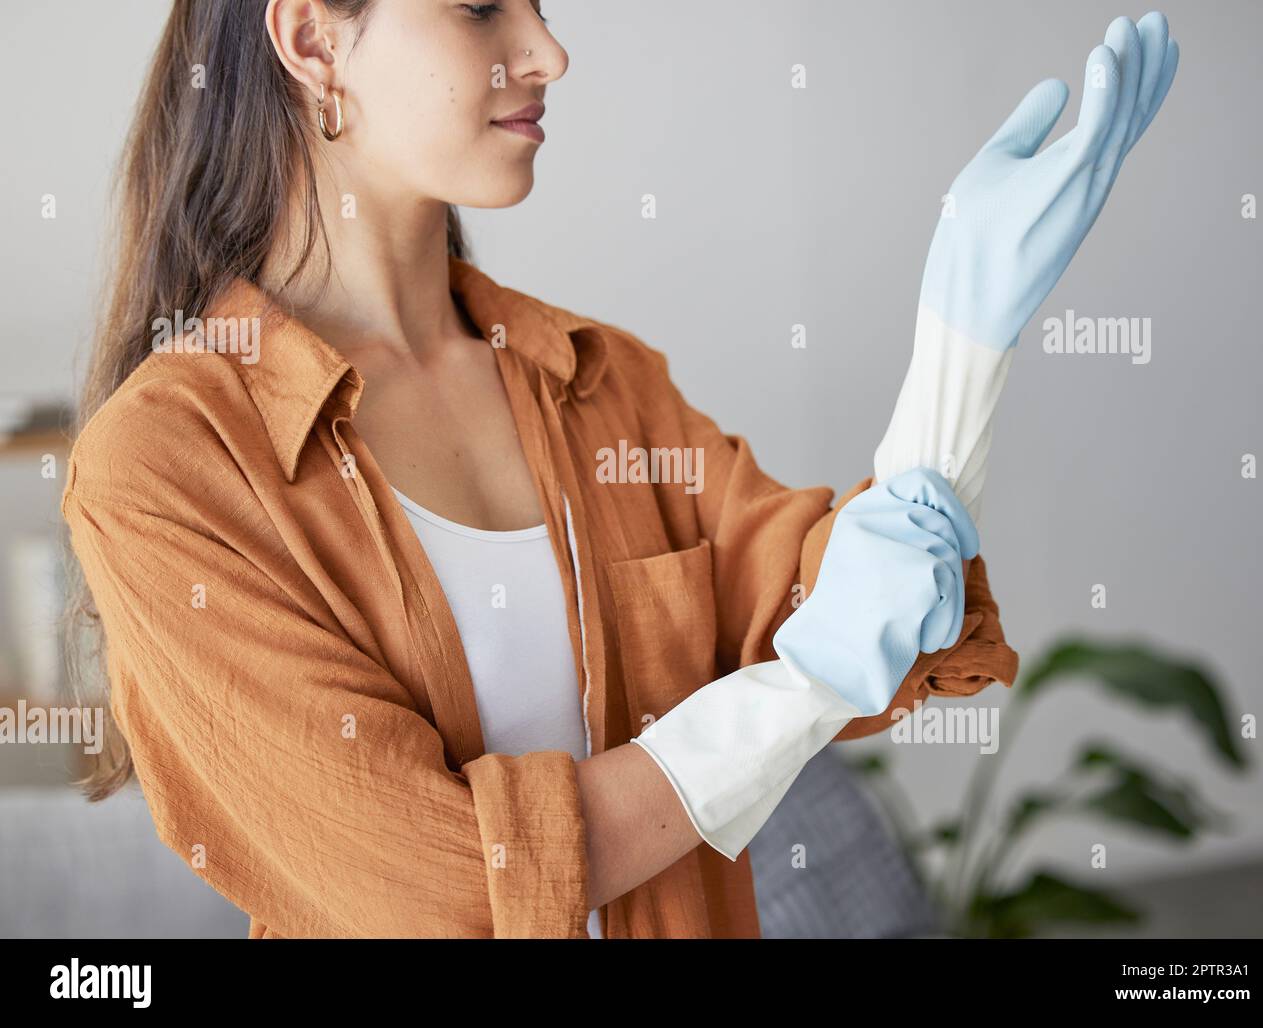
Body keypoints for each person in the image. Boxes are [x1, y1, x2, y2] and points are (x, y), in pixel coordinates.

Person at [61, 1, 1174, 938]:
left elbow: (865, 605)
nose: (548, 52)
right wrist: (805, 685)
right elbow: (450, 881)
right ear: (313, 39)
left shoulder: (597, 382)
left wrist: (965, 336)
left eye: (539, 7)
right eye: (481, 7)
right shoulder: (165, 468)